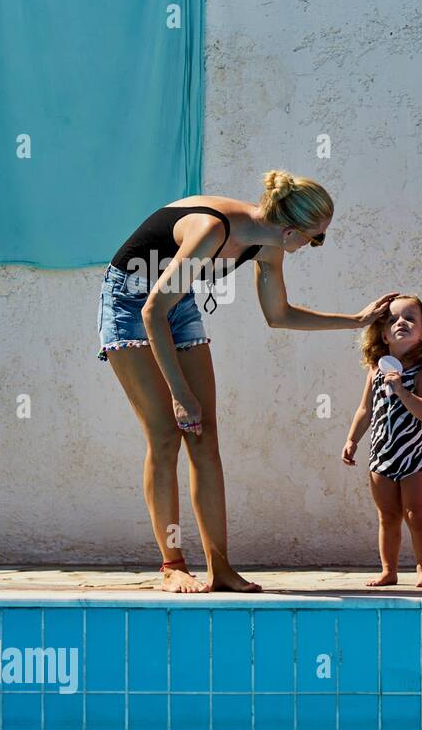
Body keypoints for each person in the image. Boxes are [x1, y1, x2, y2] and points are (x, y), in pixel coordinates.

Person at [98, 169, 396, 592]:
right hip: (131, 303)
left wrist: (357, 321)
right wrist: (181, 394)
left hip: (175, 304)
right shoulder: (210, 231)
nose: (314, 245)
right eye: (317, 237)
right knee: (167, 433)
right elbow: (150, 311)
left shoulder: (267, 244)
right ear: (291, 229)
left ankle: (220, 568)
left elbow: (279, 315)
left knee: (204, 435)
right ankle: (172, 565)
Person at [343, 294, 422, 587]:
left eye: (410, 318)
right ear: (384, 334)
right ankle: (389, 570)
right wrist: (352, 440)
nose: (401, 322)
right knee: (387, 516)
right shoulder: (375, 370)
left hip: (414, 457)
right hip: (381, 456)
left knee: (417, 515)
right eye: (393, 319)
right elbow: (365, 409)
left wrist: (402, 391)